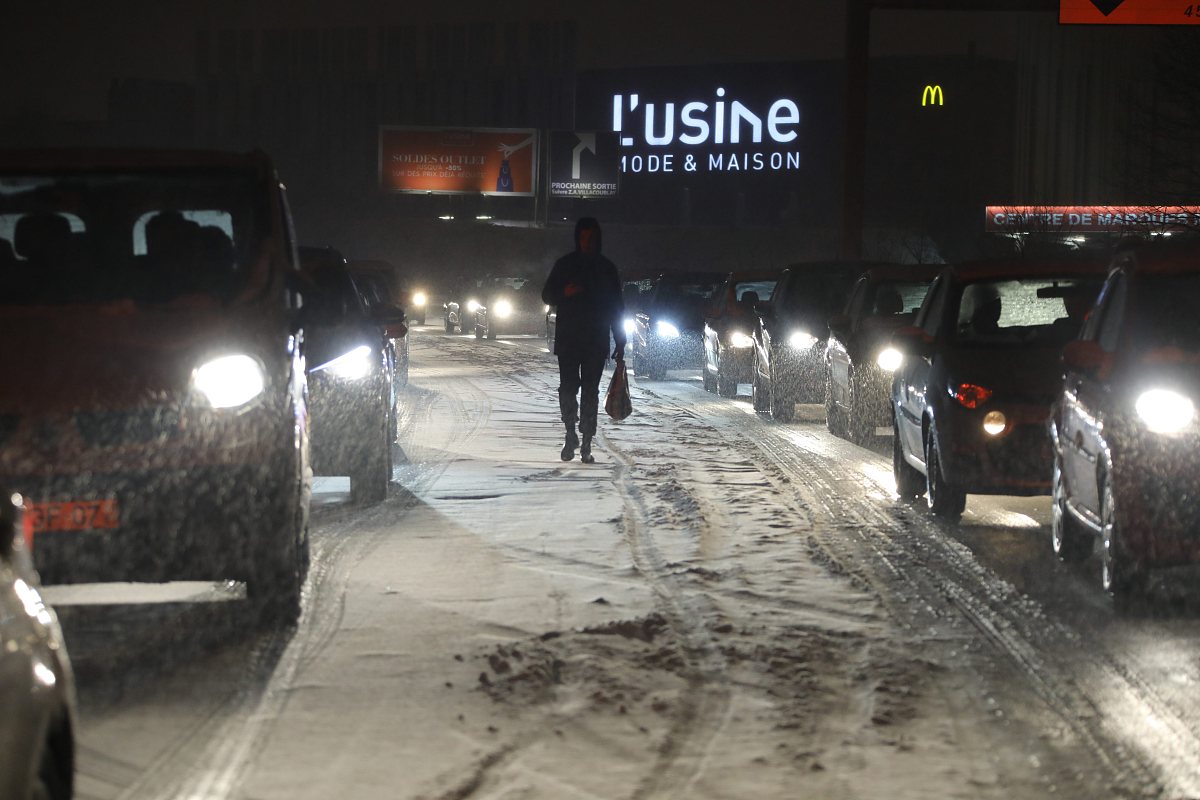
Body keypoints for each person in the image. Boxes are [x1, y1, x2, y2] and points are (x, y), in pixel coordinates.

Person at [541, 217, 625, 464]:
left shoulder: (606, 269)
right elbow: (546, 294)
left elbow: (617, 308)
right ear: (578, 238)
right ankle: (570, 433)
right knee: (567, 389)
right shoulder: (565, 265)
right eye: (583, 237)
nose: (587, 242)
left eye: (591, 238)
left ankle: (586, 440)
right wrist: (563, 293)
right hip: (569, 339)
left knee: (590, 392)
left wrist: (620, 341)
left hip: (595, 341)